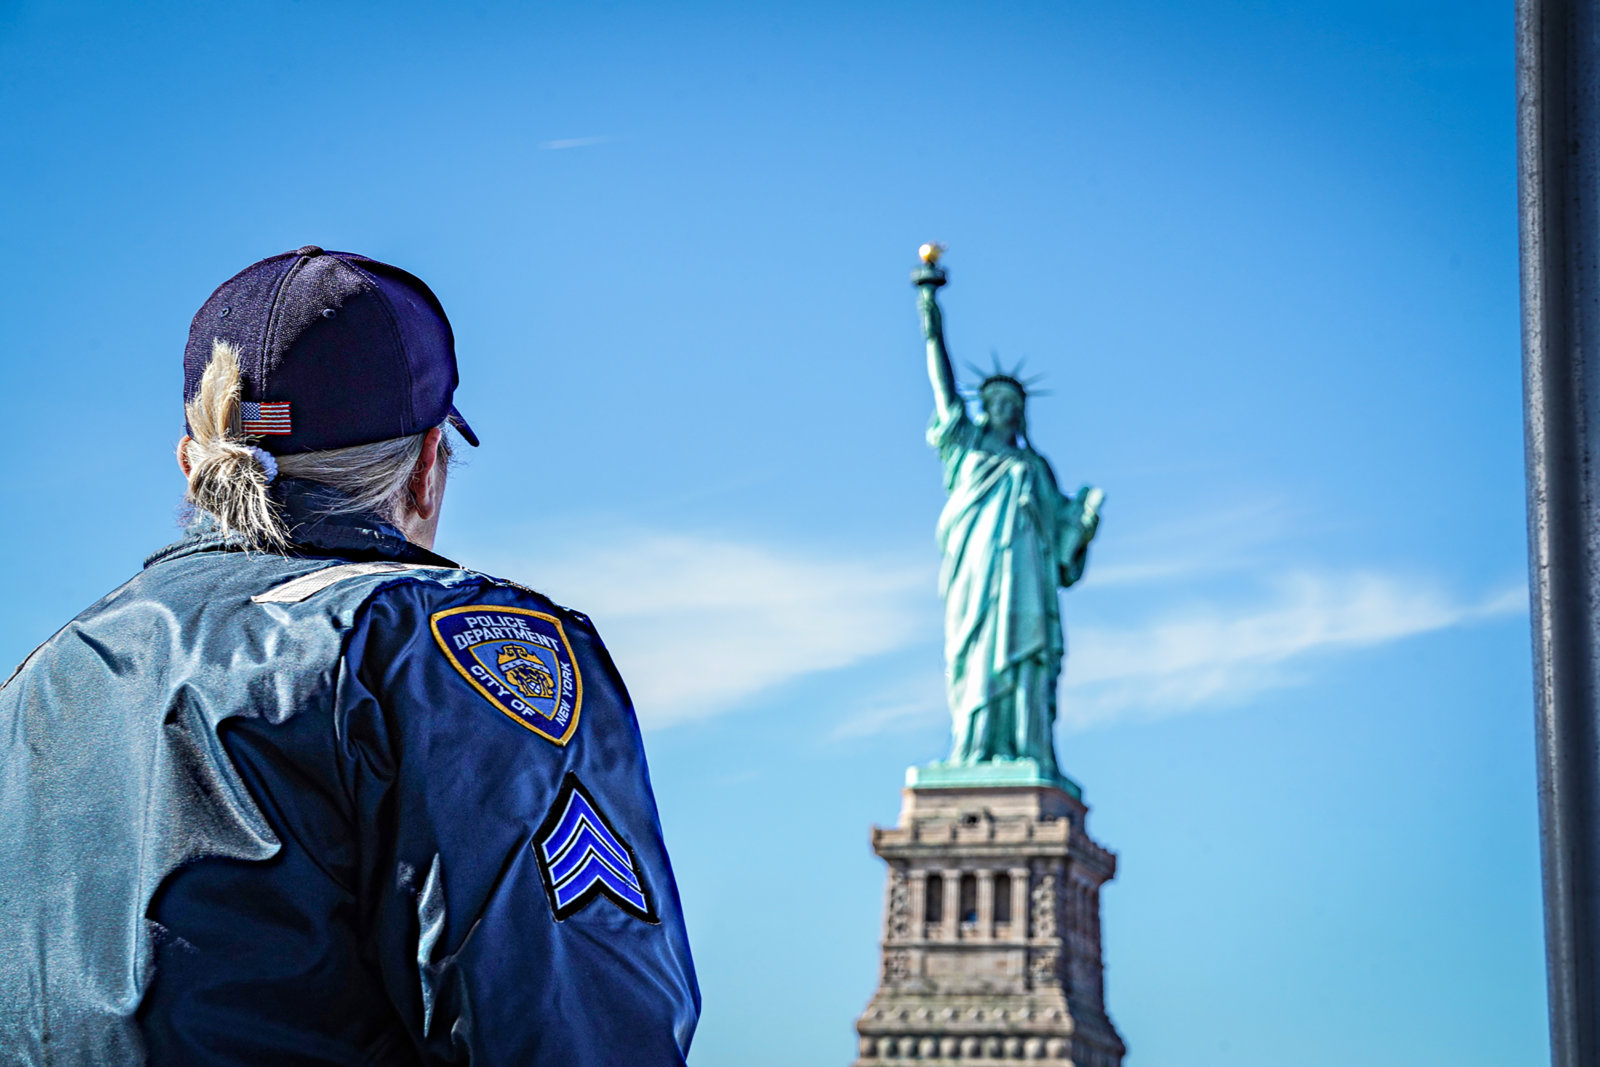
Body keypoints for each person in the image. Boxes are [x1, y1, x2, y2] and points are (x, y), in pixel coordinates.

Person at [0, 246, 700, 1065]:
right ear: (427, 469)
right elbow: (583, 1029)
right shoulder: (441, 649)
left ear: (191, 464)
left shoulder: (34, 687)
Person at [916, 259, 1102, 780]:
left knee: (1026, 659)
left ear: (1021, 414)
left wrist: (1081, 525)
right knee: (976, 656)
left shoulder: (1036, 469)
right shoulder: (966, 446)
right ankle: (972, 748)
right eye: (994, 401)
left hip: (1026, 582)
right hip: (976, 575)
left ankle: (1028, 750)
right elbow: (943, 387)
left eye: (1011, 404)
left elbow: (1064, 556)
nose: (1002, 410)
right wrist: (931, 317)